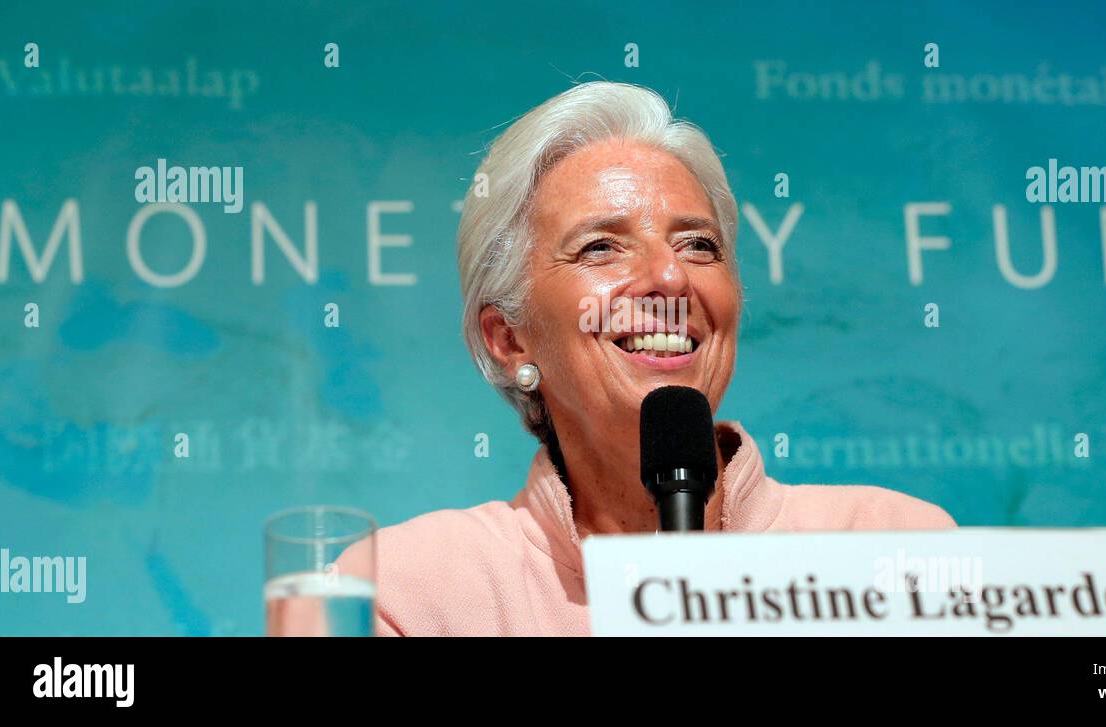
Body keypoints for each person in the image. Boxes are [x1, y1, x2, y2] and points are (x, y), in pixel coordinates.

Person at [360, 81, 955, 636]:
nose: (670, 277)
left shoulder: (899, 550)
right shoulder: (404, 594)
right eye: (601, 247)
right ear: (510, 337)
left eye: (698, 245)